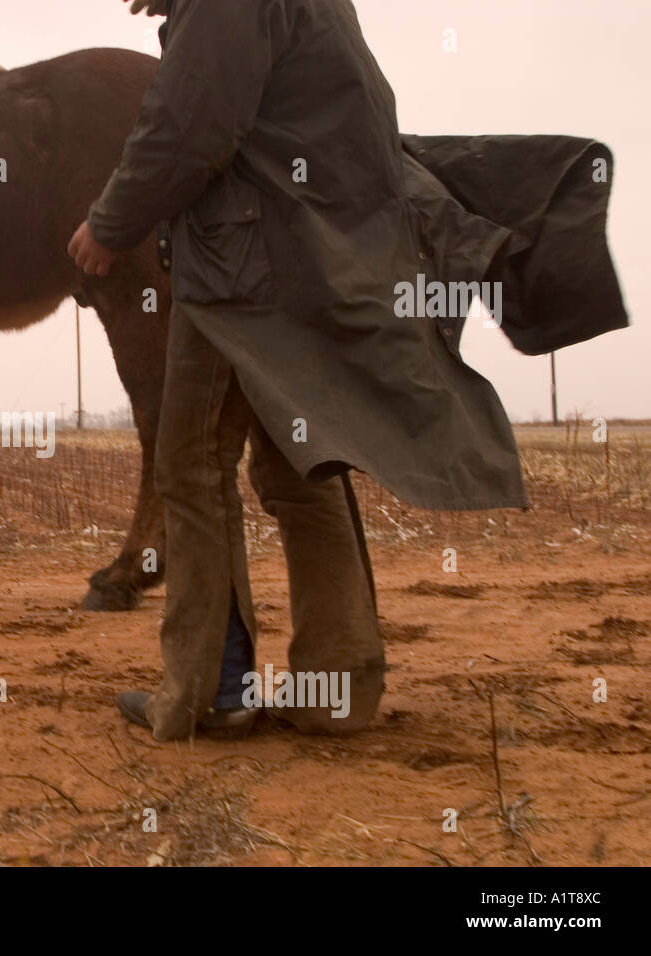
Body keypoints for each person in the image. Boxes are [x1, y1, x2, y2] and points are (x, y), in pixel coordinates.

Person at [68, 0, 531, 741]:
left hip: (240, 270)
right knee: (296, 468)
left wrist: (110, 223)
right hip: (308, 253)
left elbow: (189, 126)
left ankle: (209, 690)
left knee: (190, 464)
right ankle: (335, 692)